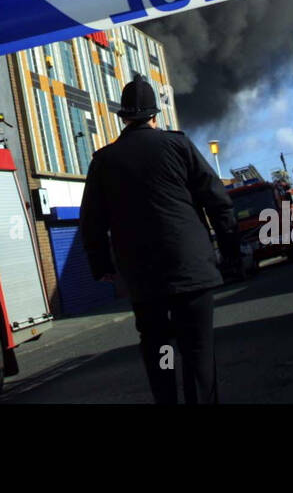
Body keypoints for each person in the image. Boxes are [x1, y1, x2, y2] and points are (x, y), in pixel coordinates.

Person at [80, 74, 241, 404]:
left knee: (160, 349)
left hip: (144, 279)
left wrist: (101, 266)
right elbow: (217, 200)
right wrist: (230, 251)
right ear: (155, 116)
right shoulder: (179, 145)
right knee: (197, 350)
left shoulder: (104, 161)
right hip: (191, 270)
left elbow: (92, 221)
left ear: (123, 117)